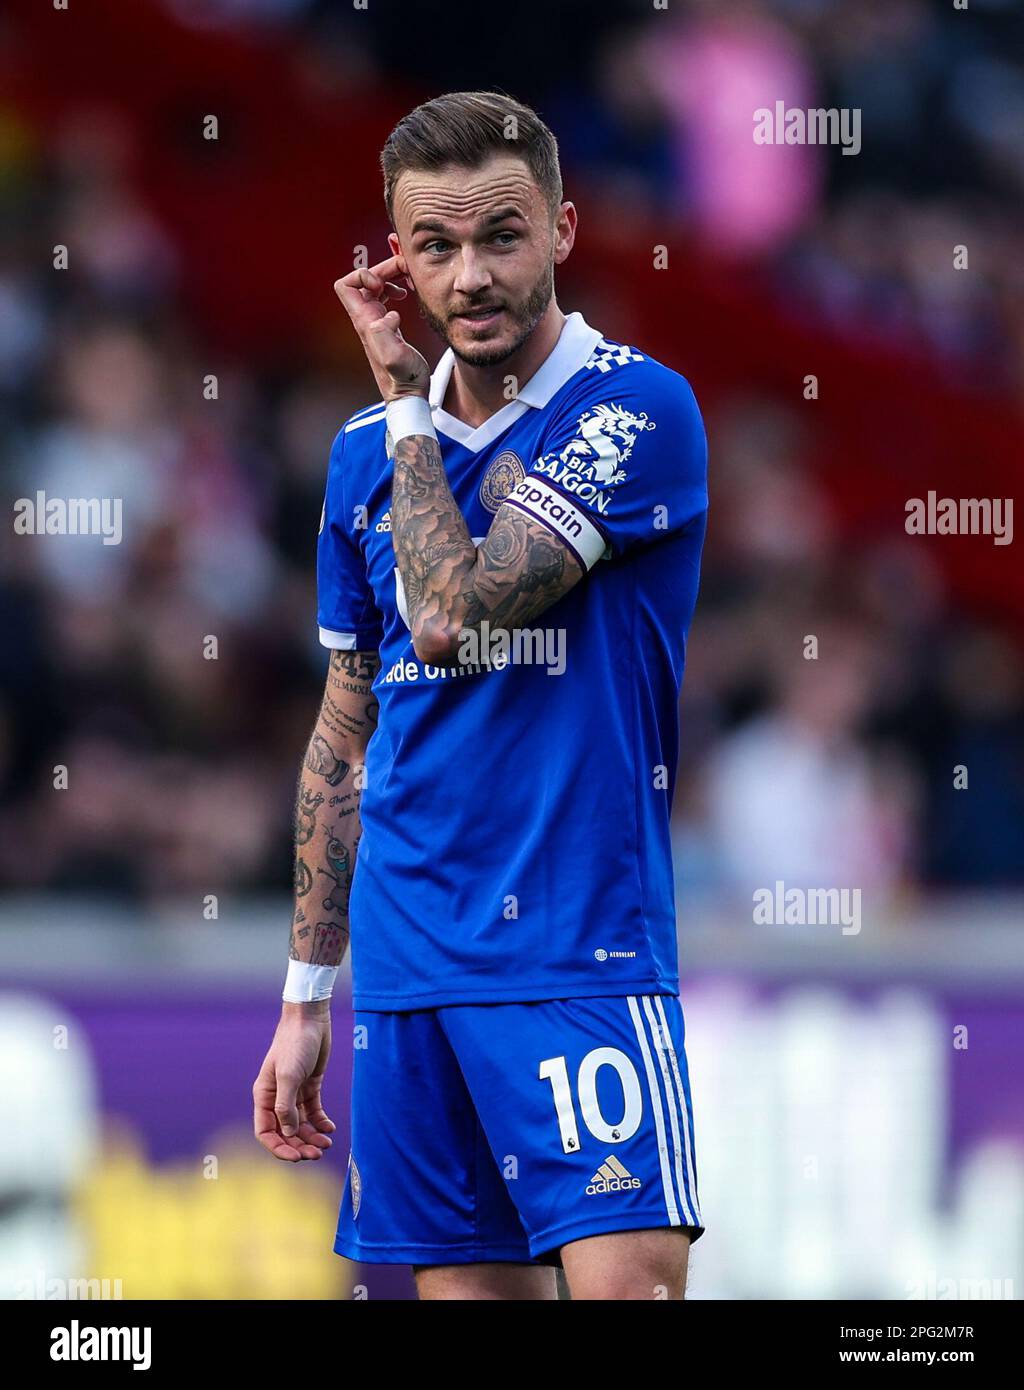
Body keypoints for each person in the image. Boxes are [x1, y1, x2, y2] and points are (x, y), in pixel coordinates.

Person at [253, 91, 708, 1300]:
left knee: (633, 1293)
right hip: (407, 974)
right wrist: (307, 995)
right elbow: (346, 736)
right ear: (397, 255)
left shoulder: (632, 410)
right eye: (434, 246)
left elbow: (451, 614)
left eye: (501, 235)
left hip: (578, 951)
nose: (468, 276)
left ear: (562, 229)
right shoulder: (363, 453)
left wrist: (408, 405)